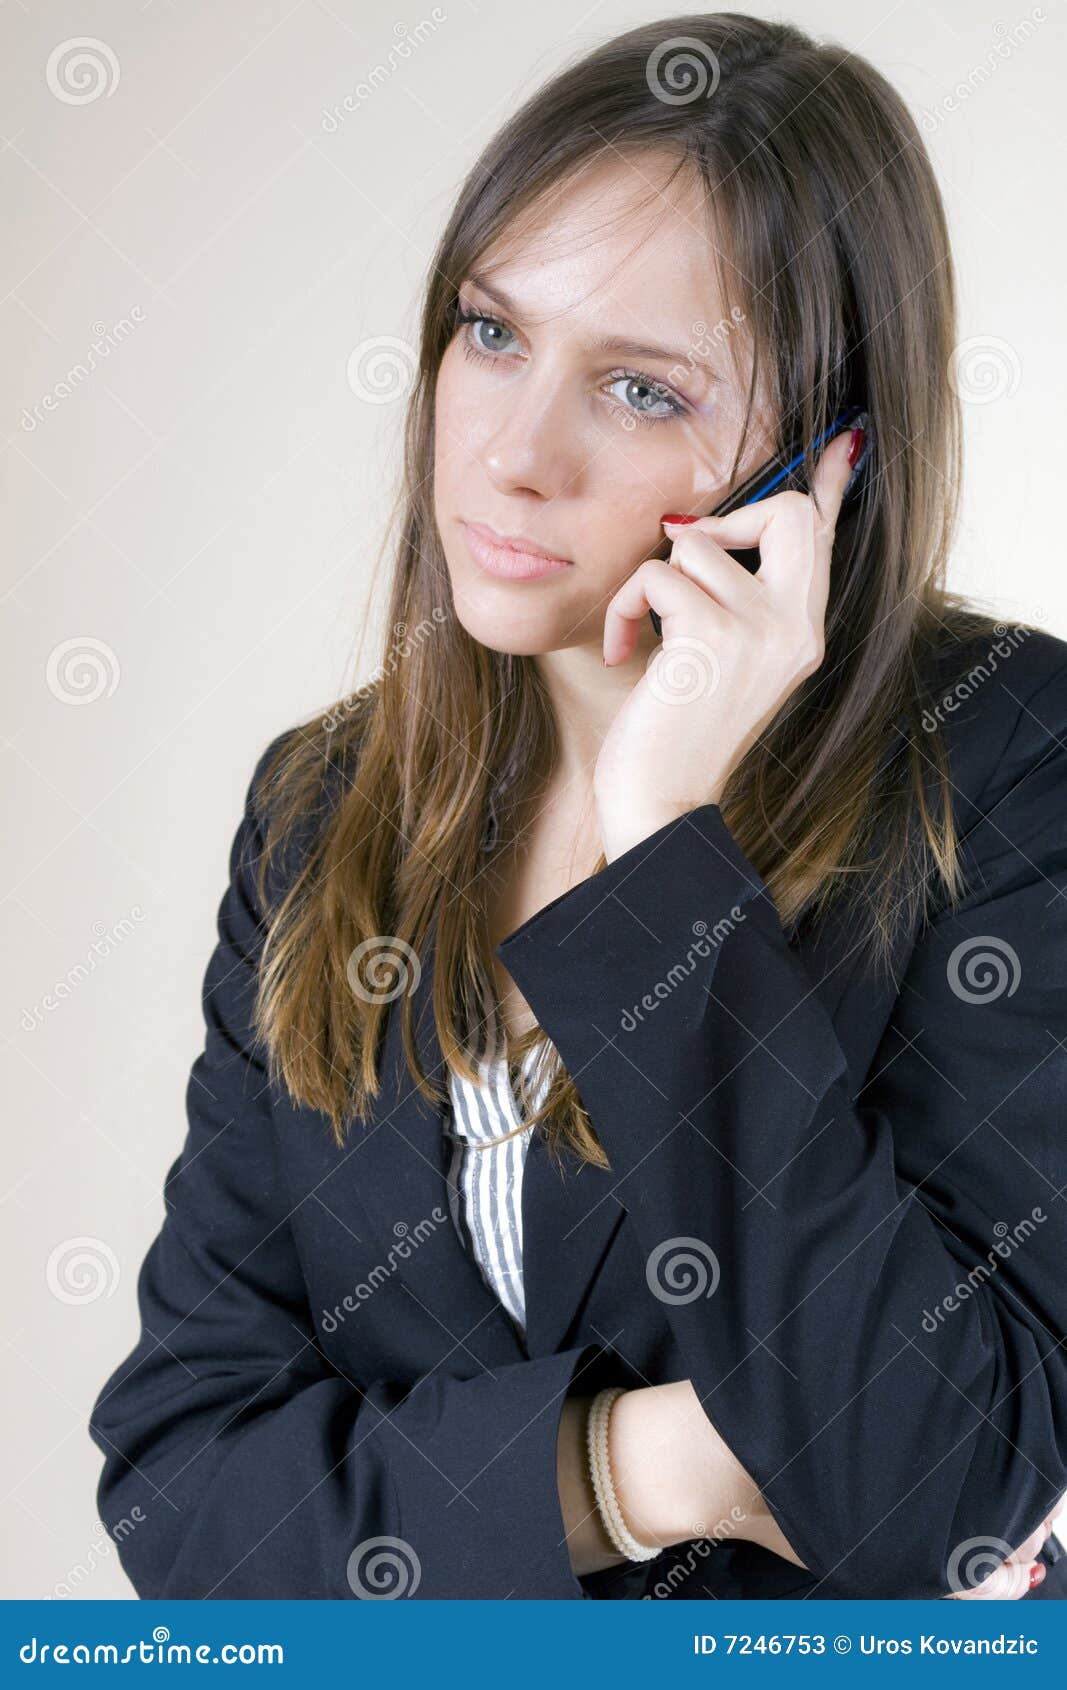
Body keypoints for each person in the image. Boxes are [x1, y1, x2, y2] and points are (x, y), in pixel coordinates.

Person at [89, 13, 1067, 1599]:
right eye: (490, 334)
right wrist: (647, 1463)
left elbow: (935, 1496)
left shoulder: (1014, 759)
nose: (512, 454)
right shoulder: (321, 807)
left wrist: (668, 833)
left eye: (638, 388)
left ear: (826, 465)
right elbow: (188, 1501)